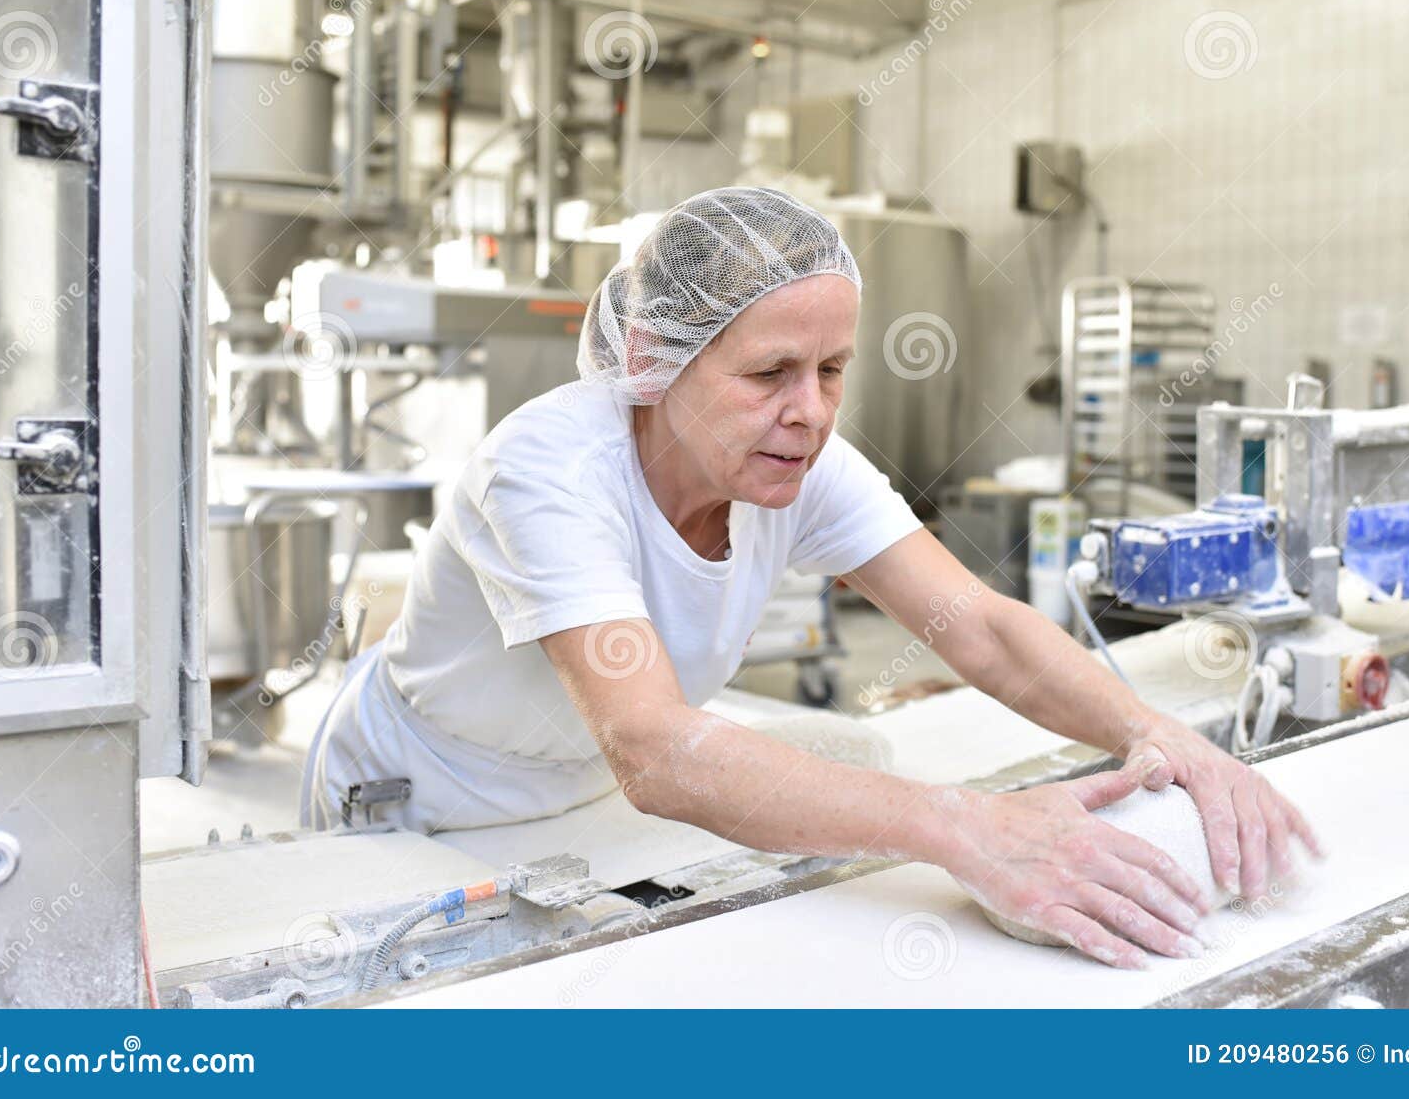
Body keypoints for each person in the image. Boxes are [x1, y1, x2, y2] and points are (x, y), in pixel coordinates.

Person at [303, 186, 1320, 968]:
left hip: (583, 810)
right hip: (419, 810)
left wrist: (1163, 736)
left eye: (831, 370)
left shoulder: (796, 463)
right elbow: (653, 748)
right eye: (767, 374)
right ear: (655, 357)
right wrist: (963, 828)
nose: (811, 412)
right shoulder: (552, 471)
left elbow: (980, 630)